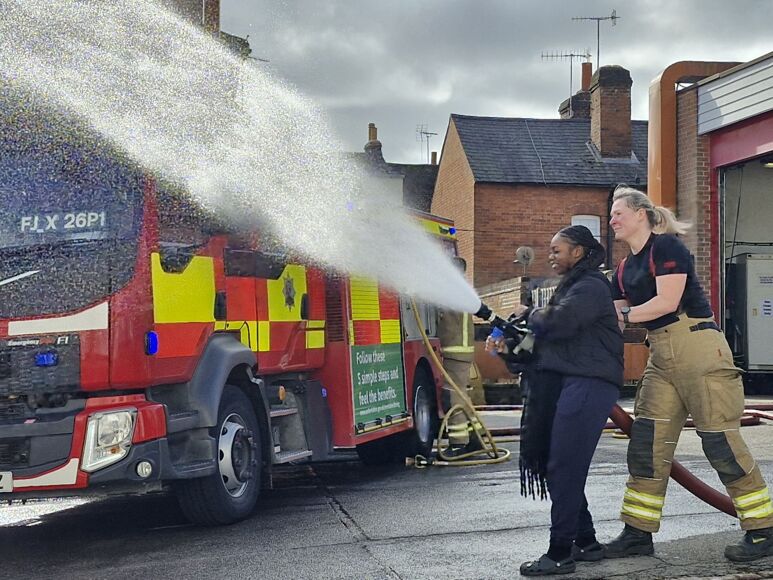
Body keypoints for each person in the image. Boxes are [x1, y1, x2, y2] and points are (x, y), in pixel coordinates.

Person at [604, 185, 773, 562]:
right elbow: (613, 318)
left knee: (719, 440)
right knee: (646, 443)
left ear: (642, 214)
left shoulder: (666, 248)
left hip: (697, 346)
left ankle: (762, 530)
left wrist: (620, 315)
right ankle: (637, 532)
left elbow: (665, 302)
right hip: (660, 354)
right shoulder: (622, 269)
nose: (612, 218)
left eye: (618, 212)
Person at [487, 225, 623, 576]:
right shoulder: (569, 289)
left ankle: (560, 553)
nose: (550, 255)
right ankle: (586, 542)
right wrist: (508, 349)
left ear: (577, 252)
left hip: (589, 384)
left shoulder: (591, 286)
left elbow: (559, 323)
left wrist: (528, 312)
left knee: (564, 466)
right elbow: (536, 351)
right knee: (558, 463)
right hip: (569, 382)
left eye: (556, 249)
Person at [436, 257, 482, 456]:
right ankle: (476, 439)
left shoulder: (451, 289)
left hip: (455, 351)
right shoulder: (460, 288)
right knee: (462, 395)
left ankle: (459, 444)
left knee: (453, 396)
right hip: (459, 351)